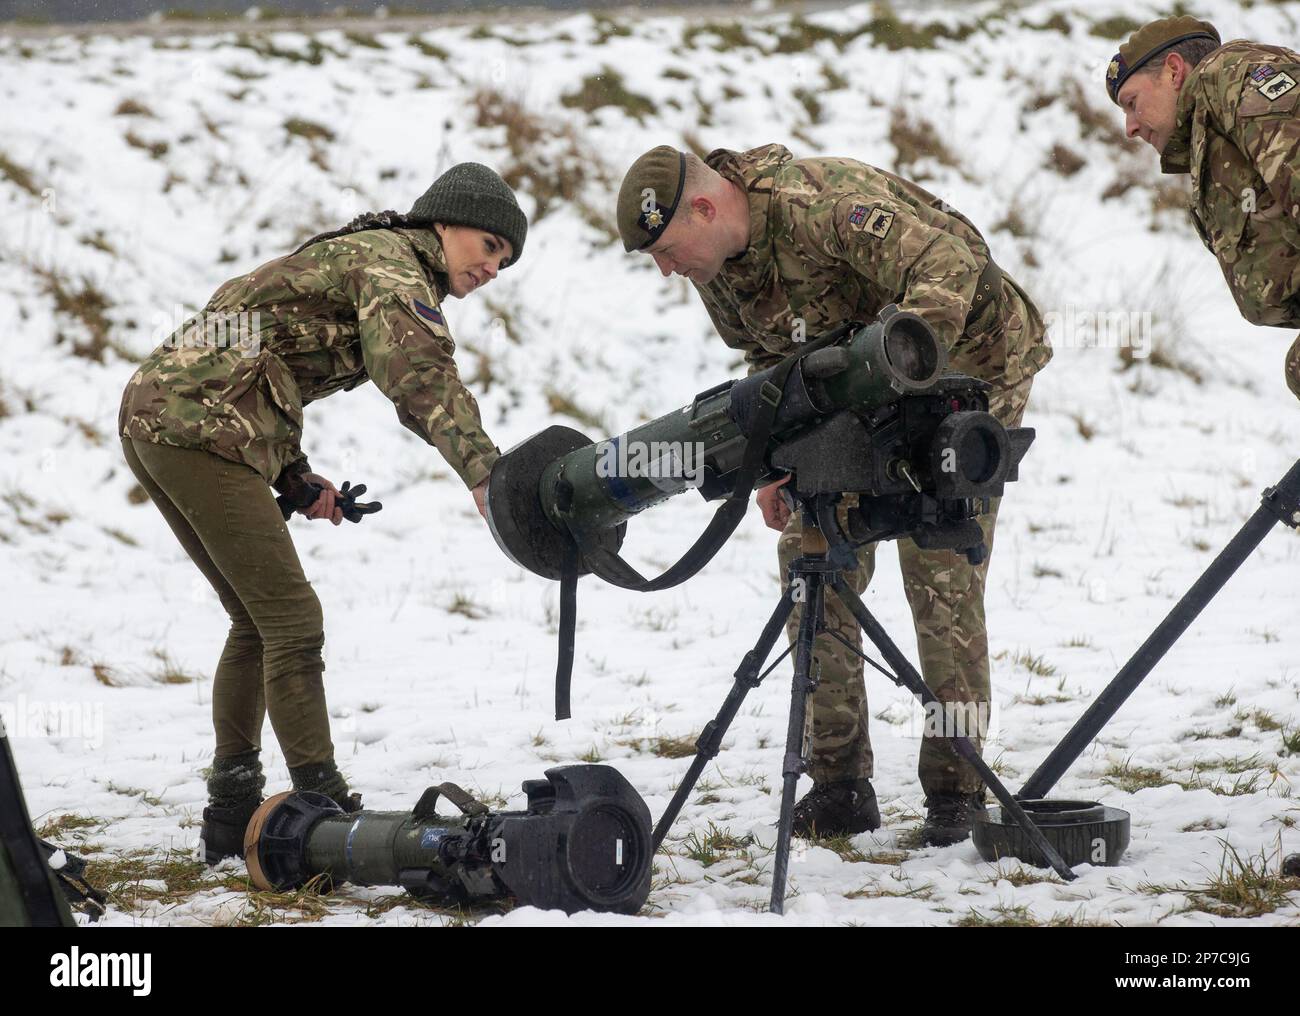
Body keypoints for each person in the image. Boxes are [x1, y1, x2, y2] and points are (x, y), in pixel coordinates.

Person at [615, 144, 1051, 845]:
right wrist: (777, 460)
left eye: (667, 250)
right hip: (859, 389)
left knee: (939, 571)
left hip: (970, 359)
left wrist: (902, 402)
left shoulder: (815, 208)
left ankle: (956, 790)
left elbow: (949, 266)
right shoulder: (716, 263)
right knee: (813, 559)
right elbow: (768, 361)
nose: (669, 269)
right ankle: (839, 783)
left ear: (704, 206)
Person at [117, 163, 526, 863]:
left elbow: (254, 354)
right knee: (292, 623)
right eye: (488, 245)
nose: (492, 267)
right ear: (446, 222)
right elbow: (419, 374)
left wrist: (296, 478)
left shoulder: (360, 256)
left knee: (256, 621)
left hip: (166, 417)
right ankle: (324, 811)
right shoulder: (395, 267)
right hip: (201, 429)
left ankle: (231, 813)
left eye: (504, 260)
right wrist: (485, 472)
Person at [1106, 14, 1300, 398]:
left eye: (1132, 102)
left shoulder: (1235, 78)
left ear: (1174, 72)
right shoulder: (1210, 131)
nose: (1129, 127)